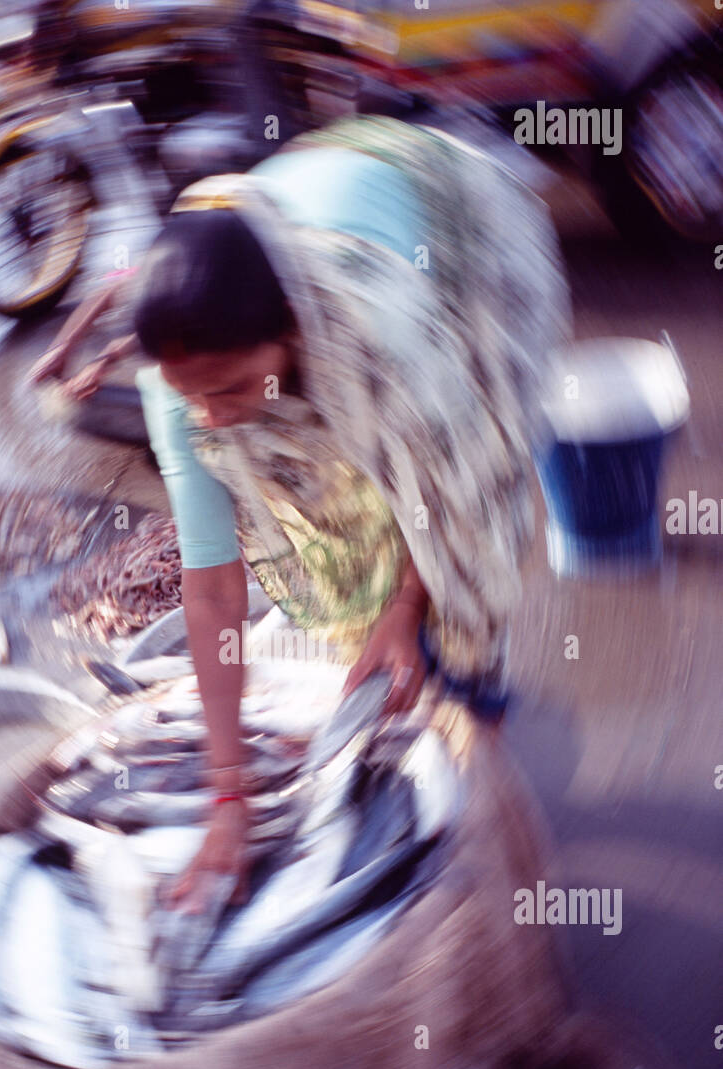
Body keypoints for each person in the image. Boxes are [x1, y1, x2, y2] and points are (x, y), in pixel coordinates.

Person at [124, 115, 569, 908]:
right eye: (195, 396)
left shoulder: (391, 335)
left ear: (294, 331)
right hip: (305, 199)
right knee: (321, 507)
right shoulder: (182, 389)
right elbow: (216, 588)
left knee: (461, 549)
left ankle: (479, 732)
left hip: (458, 221)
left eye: (230, 387)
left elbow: (452, 490)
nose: (213, 417)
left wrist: (407, 606)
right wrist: (229, 796)